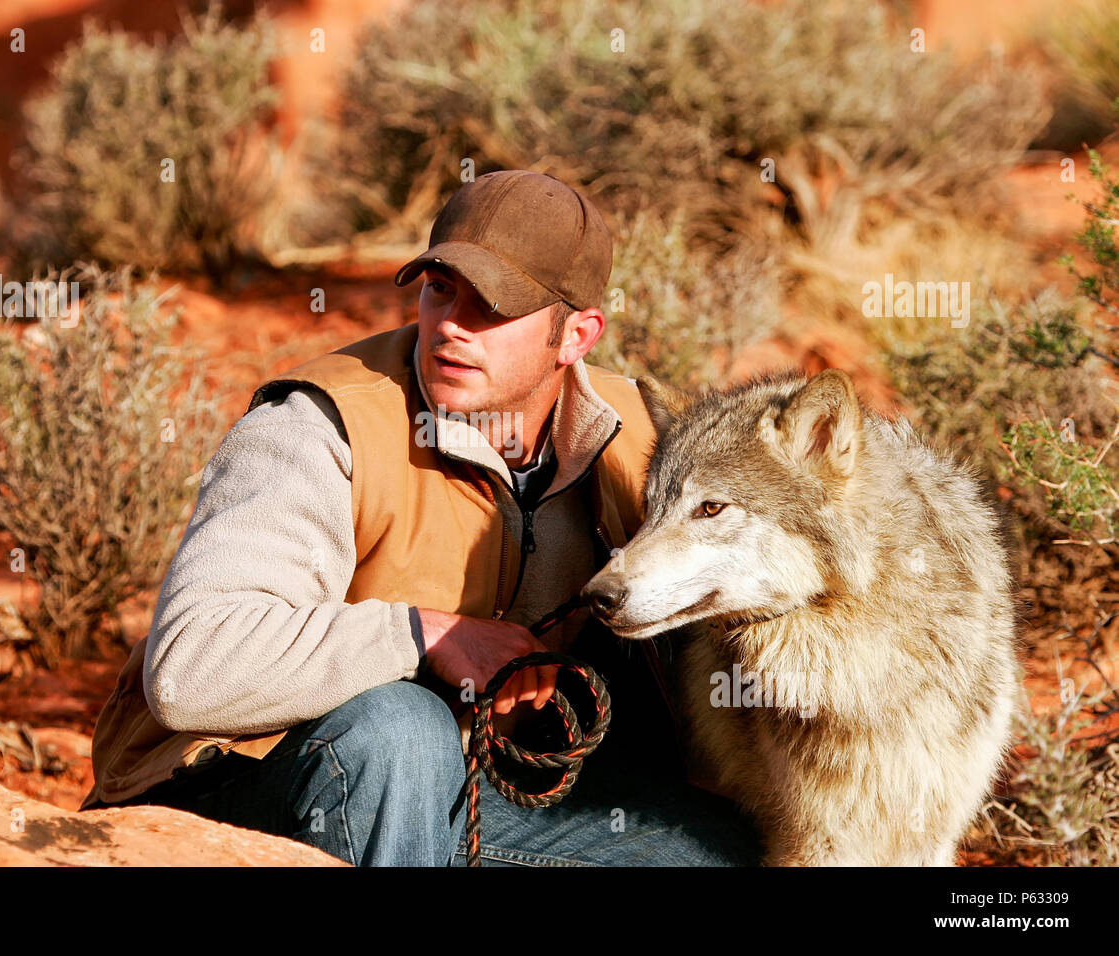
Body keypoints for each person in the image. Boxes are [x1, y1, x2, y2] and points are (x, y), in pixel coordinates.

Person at [80, 169, 763, 866]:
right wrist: (424, 635)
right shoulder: (319, 425)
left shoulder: (640, 444)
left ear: (576, 336)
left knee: (712, 851)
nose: (451, 327)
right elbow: (189, 668)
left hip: (459, 792)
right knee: (398, 730)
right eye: (441, 289)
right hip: (223, 790)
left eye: (493, 308)